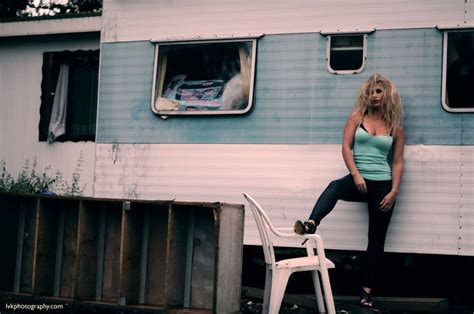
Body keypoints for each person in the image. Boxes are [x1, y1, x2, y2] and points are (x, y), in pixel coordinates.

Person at [294, 74, 404, 309]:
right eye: (370, 92)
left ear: (387, 95)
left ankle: (366, 291)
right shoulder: (357, 117)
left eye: (378, 92)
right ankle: (312, 223)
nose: (373, 96)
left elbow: (397, 161)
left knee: (376, 239)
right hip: (359, 180)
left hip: (382, 185)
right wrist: (355, 174)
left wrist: (393, 191)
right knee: (334, 187)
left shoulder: (395, 126)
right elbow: (346, 147)